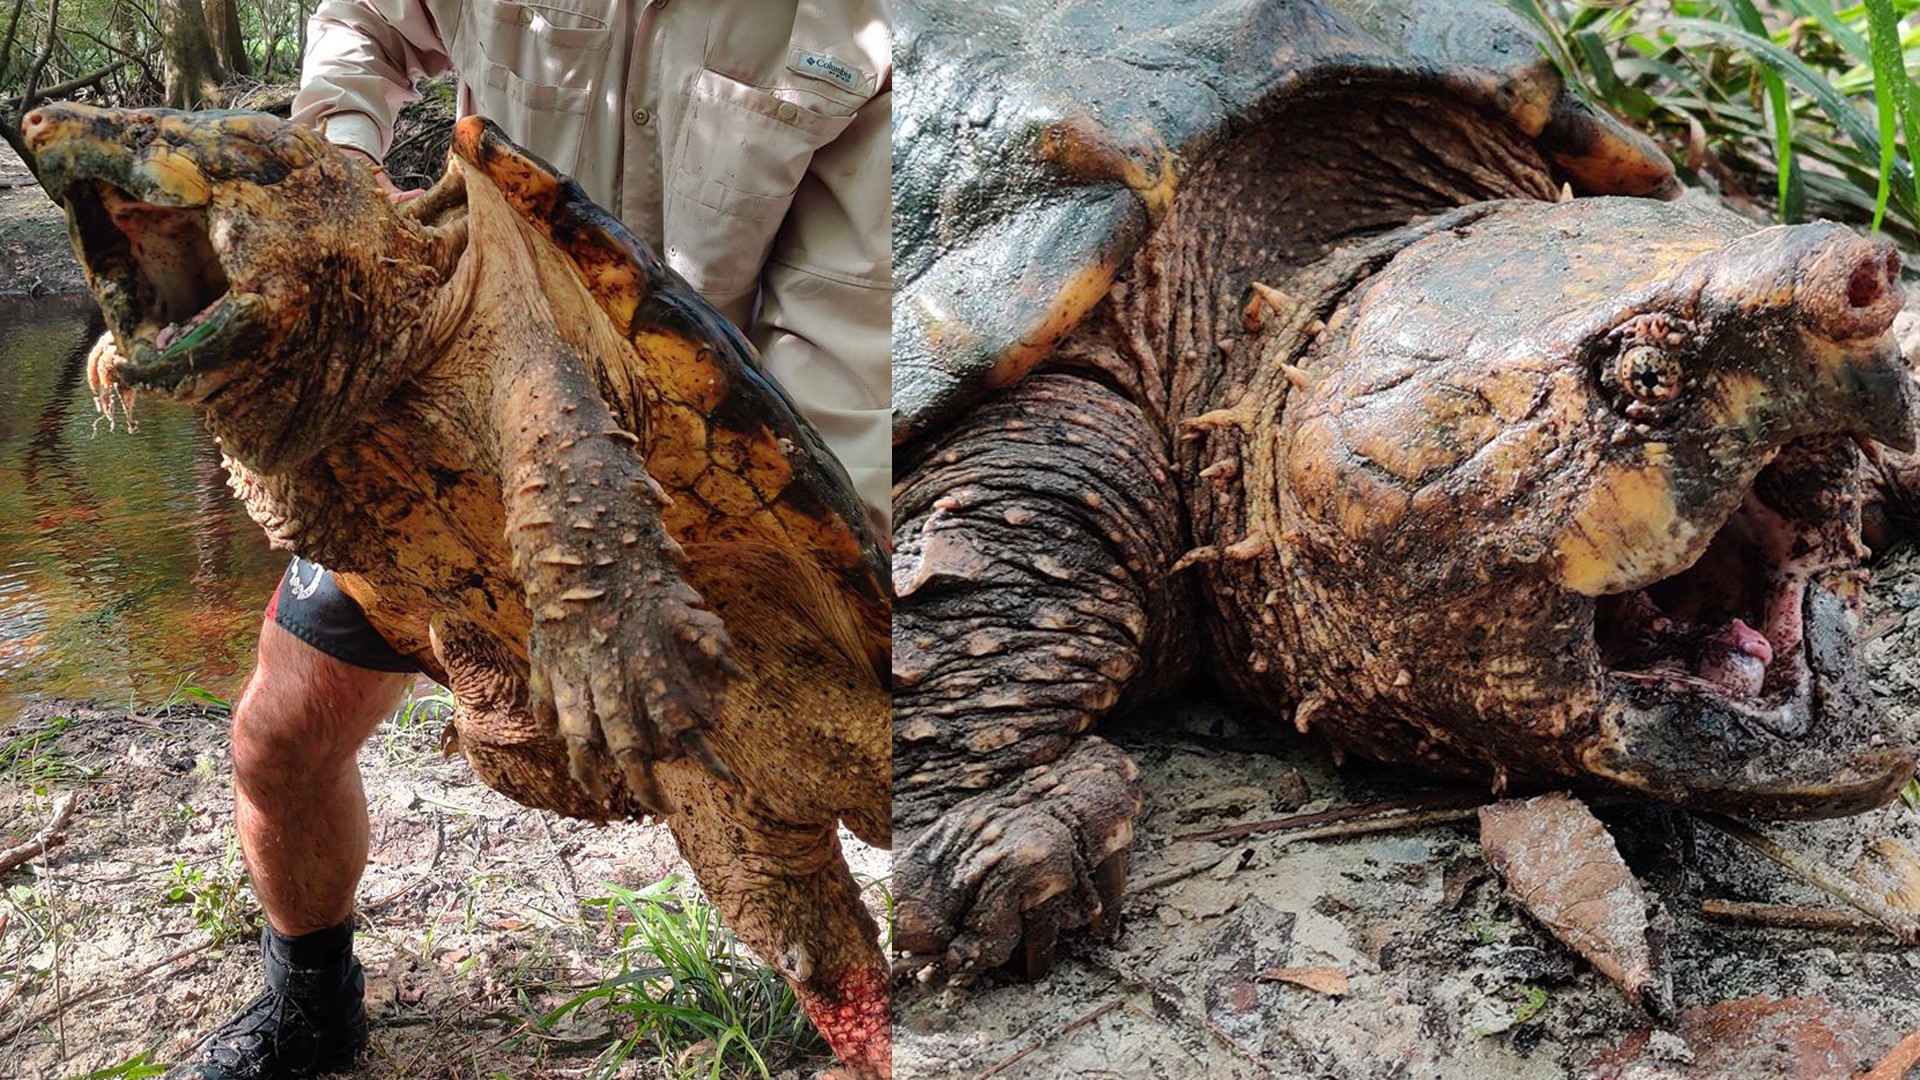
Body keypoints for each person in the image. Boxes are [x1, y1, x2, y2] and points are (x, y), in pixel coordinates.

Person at [173, 3, 890, 1077]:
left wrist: (781, 589)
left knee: (782, 799)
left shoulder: (855, 24)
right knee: (278, 738)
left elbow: (841, 340)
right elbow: (360, 23)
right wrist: (342, 178)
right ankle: (309, 1000)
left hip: (686, 460)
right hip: (442, 409)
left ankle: (863, 1017)